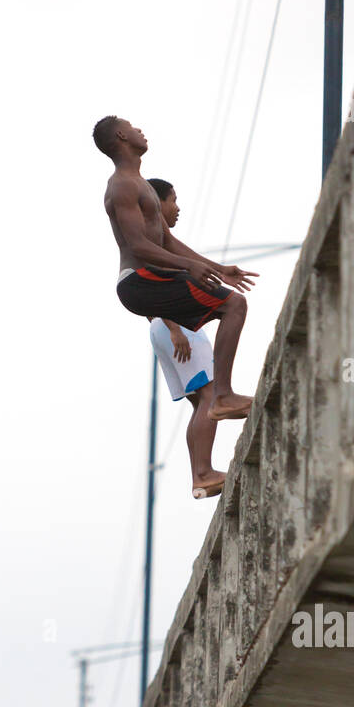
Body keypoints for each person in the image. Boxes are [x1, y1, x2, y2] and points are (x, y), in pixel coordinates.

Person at [94, 114, 257, 422]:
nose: (140, 130)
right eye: (132, 127)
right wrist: (190, 268)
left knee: (232, 304)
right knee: (234, 304)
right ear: (121, 135)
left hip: (153, 278)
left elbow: (167, 241)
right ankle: (222, 397)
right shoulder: (121, 186)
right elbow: (138, 246)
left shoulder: (140, 184)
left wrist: (219, 269)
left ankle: (221, 396)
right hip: (139, 282)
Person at [146, 178, 226, 499]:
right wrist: (176, 327)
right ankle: (204, 472)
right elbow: (153, 287)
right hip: (173, 324)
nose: (178, 208)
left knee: (199, 402)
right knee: (211, 396)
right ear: (157, 204)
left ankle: (199, 476)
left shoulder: (151, 238)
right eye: (173, 200)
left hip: (162, 327)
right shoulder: (152, 239)